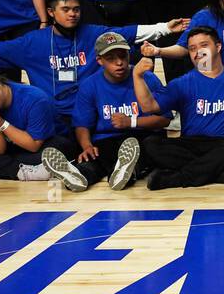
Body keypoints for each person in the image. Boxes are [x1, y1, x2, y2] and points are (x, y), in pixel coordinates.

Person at [0, 0, 185, 135]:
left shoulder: (93, 34)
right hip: (54, 116)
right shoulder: (33, 42)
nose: (73, 14)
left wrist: (164, 28)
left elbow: (130, 32)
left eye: (76, 9)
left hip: (92, 113)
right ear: (51, 13)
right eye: (65, 9)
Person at [130, 26, 224, 189]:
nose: (198, 52)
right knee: (150, 144)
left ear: (218, 47)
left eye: (204, 45)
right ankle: (219, 173)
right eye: (192, 48)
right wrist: (137, 76)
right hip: (191, 144)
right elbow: (149, 106)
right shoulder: (182, 83)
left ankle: (177, 178)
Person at [41, 30, 171, 192]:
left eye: (123, 56)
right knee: (95, 157)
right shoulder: (90, 85)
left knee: (147, 149)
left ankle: (125, 172)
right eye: (111, 59)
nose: (119, 63)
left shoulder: (147, 78)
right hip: (107, 139)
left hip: (141, 135)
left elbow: (165, 119)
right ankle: (78, 175)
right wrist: (87, 146)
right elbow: (82, 124)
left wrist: (131, 121)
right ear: (99, 61)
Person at [0, 71, 75, 182]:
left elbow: (33, 146)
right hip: (12, 149)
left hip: (40, 146)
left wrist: (2, 124)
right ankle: (21, 171)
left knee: (56, 149)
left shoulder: (35, 98)